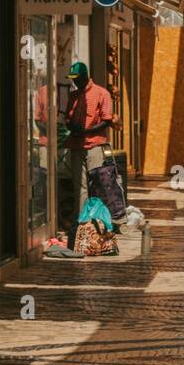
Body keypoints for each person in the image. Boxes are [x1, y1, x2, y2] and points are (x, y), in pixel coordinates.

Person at [62, 62, 116, 247]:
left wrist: (86, 131)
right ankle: (82, 225)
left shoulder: (102, 93)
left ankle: (100, 225)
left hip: (94, 145)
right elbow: (67, 118)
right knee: (80, 188)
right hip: (77, 145)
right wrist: (73, 128)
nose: (75, 82)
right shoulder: (74, 96)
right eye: (73, 79)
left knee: (97, 186)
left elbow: (107, 120)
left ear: (84, 76)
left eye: (77, 78)